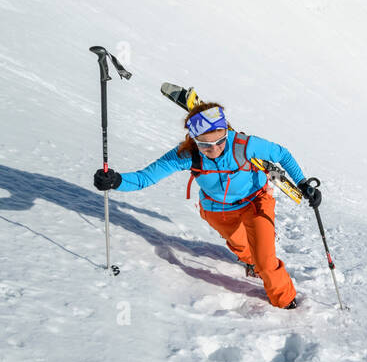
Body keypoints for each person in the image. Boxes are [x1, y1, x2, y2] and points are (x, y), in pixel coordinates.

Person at [93, 101, 321, 310]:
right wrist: (116, 181)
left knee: (266, 259)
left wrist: (302, 183)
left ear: (226, 132)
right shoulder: (186, 155)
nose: (214, 149)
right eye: (205, 144)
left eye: (220, 141)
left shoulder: (245, 145)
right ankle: (249, 261)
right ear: (194, 140)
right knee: (240, 246)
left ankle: (285, 301)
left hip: (256, 201)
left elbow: (282, 154)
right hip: (217, 210)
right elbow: (145, 178)